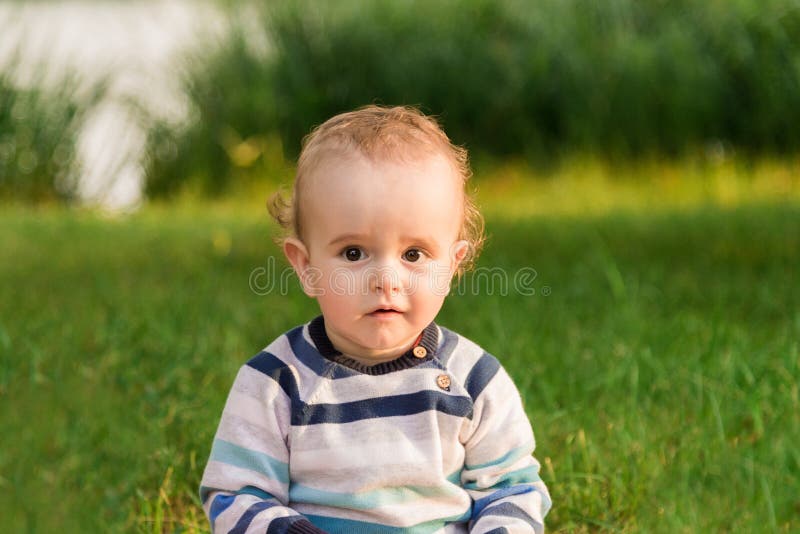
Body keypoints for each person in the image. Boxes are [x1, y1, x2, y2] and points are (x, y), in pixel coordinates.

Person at [199, 105, 551, 533]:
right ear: (305, 265)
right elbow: (236, 495)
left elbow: (512, 491)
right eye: (353, 253)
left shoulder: (472, 380)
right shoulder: (277, 383)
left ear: (453, 266)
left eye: (414, 254)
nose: (385, 279)